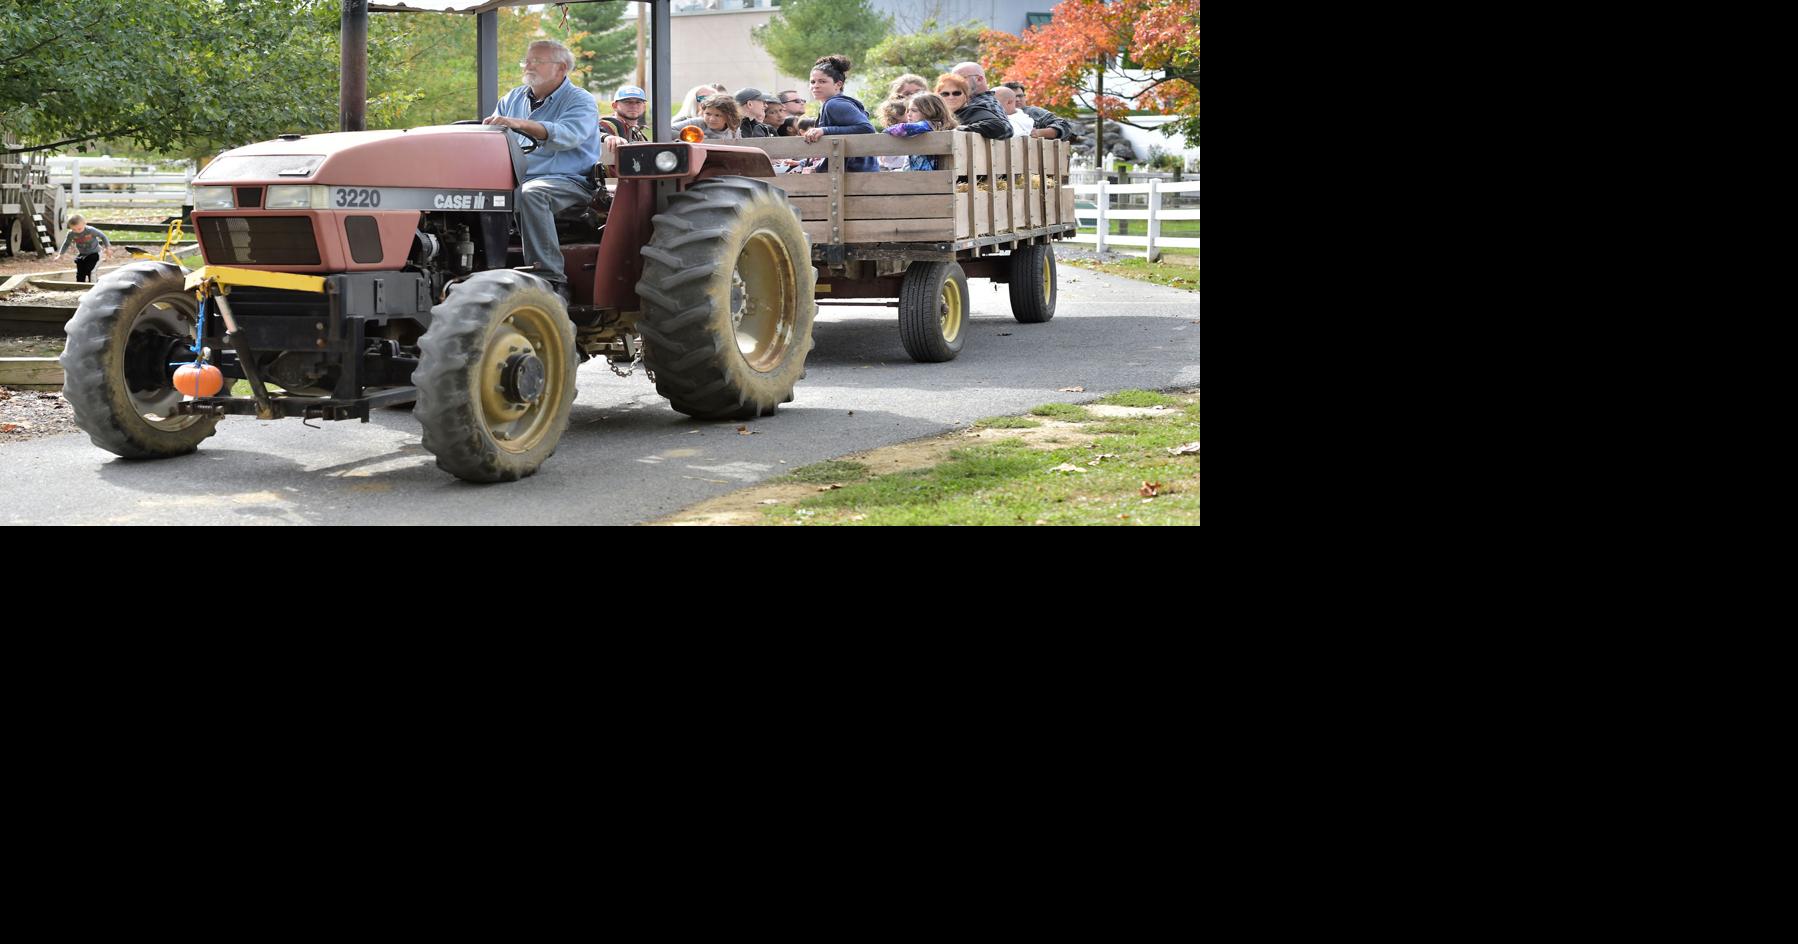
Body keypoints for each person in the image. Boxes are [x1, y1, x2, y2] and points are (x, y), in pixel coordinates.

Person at [482, 40, 601, 302]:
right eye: (527, 60)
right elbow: (493, 135)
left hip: (568, 181)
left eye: (537, 61)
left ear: (561, 68)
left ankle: (550, 280)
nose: (529, 66)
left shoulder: (580, 100)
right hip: (516, 179)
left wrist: (520, 124)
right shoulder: (512, 98)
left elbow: (568, 135)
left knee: (531, 194)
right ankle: (478, 269)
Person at [800, 55, 877, 173]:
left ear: (838, 84)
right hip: (849, 173)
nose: (815, 86)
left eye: (822, 81)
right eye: (812, 82)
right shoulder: (829, 104)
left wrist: (825, 130)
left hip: (856, 176)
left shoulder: (834, 104)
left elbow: (867, 128)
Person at [881, 92, 957, 171]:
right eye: (908, 111)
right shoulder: (922, 130)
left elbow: (903, 128)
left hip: (929, 176)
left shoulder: (929, 125)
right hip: (921, 175)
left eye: (914, 110)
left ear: (929, 112)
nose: (908, 114)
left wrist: (887, 131)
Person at [947, 62, 1014, 139]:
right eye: (953, 80)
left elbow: (1005, 129)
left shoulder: (986, 103)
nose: (955, 84)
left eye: (960, 79)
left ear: (979, 79)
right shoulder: (962, 101)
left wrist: (961, 129)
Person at [1001, 80, 1078, 141]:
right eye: (1013, 97)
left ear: (1025, 97)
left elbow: (1065, 126)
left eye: (1020, 96)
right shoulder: (997, 115)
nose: (1017, 99)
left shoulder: (1034, 112)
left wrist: (1039, 133)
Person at [57, 216, 114, 283]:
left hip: (95, 253)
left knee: (90, 270)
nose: (77, 231)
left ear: (84, 224)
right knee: (80, 272)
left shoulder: (90, 230)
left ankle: (93, 285)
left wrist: (108, 248)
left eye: (79, 229)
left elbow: (103, 236)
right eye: (74, 229)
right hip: (82, 254)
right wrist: (61, 254)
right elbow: (66, 243)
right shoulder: (71, 234)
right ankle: (80, 285)